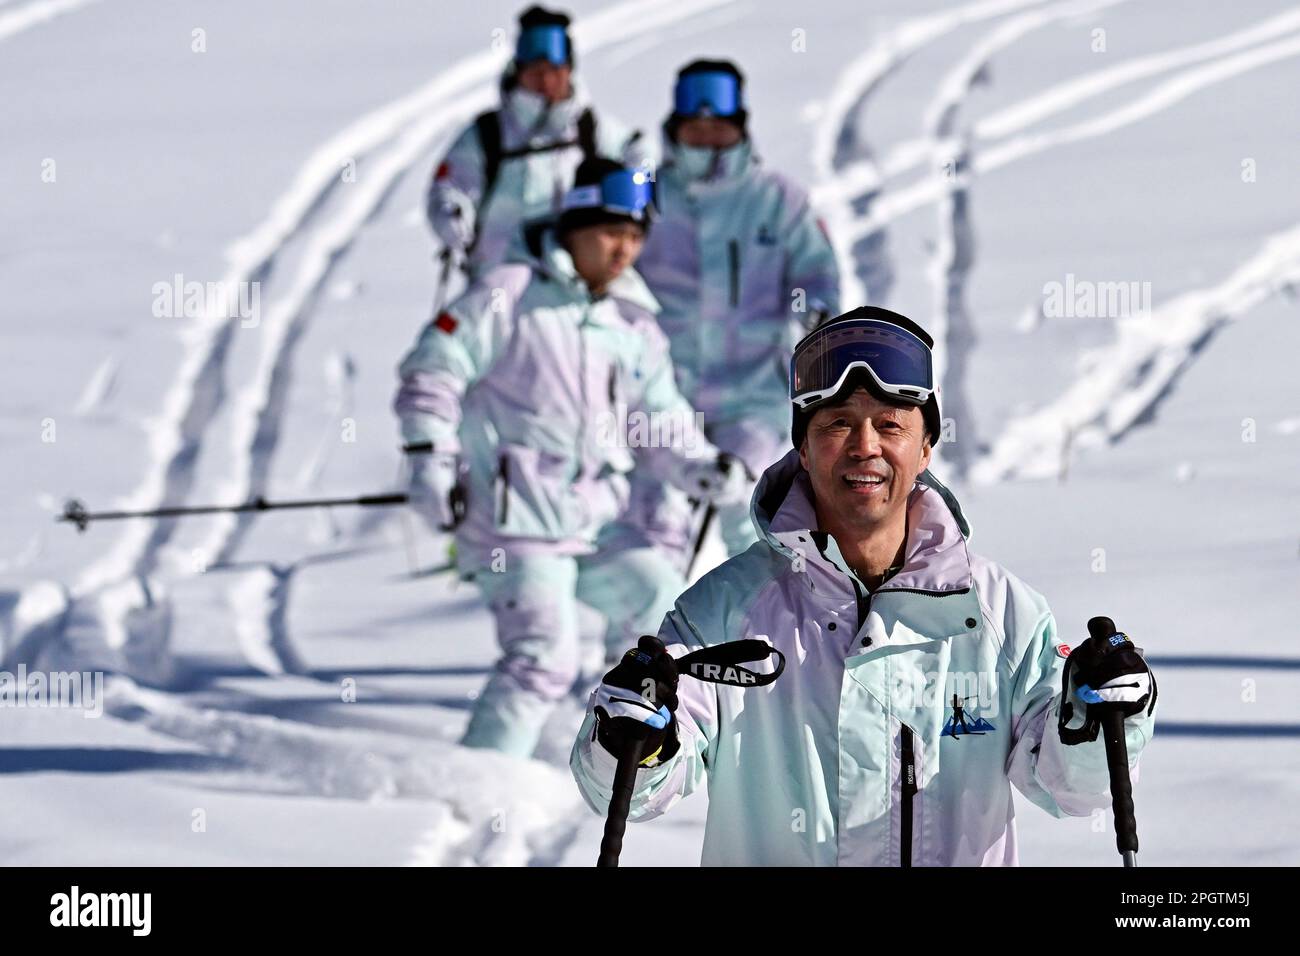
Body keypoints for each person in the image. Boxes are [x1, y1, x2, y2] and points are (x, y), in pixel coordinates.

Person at [571, 307, 1158, 865]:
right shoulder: (722, 613)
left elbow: (1069, 789)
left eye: (890, 425)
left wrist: (1100, 715)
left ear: (925, 446)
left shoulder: (1003, 613)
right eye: (838, 424)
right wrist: (635, 735)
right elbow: (630, 792)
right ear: (802, 447)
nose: (865, 446)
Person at [395, 158, 747, 759]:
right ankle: (471, 789)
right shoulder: (509, 295)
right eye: (611, 231)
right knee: (542, 657)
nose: (624, 249)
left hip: (593, 521)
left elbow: (659, 418)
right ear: (573, 226)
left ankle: (610, 756)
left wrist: (700, 465)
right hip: (515, 524)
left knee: (663, 611)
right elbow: (433, 368)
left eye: (635, 236)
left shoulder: (630, 323)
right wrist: (430, 455)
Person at [613, 59, 841, 569]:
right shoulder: (646, 194)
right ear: (675, 129)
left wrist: (814, 313)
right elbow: (602, 253)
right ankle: (642, 643)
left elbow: (817, 273)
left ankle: (770, 642)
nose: (708, 139)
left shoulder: (778, 200)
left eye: (720, 128)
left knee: (762, 518)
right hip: (661, 397)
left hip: (753, 396)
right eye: (696, 129)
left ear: (740, 127)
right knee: (648, 533)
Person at [426, 5, 648, 277]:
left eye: (554, 70)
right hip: (499, 278)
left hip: (574, 281)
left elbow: (637, 153)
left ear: (569, 70)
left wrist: (638, 188)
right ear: (518, 71)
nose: (545, 80)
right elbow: (450, 186)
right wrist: (452, 215)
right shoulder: (488, 133)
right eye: (535, 70)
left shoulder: (588, 127)